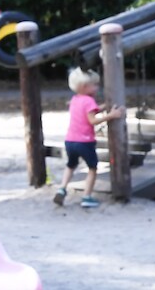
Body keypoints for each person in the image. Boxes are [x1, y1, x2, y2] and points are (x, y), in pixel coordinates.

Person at [53, 67, 124, 208]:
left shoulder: (75, 99)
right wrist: (112, 115)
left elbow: (91, 110)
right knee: (92, 168)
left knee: (71, 165)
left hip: (70, 141)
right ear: (85, 87)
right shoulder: (89, 101)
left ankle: (62, 188)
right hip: (85, 142)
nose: (98, 87)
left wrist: (106, 107)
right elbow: (92, 120)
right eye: (95, 85)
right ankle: (87, 196)